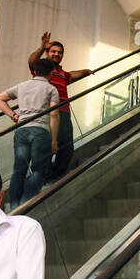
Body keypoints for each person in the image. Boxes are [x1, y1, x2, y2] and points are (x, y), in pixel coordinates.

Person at [26, 32, 93, 182]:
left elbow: (72, 75)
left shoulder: (62, 73)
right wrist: (42, 47)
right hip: (46, 114)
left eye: (59, 52)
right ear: (48, 53)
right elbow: (31, 61)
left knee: (67, 149)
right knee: (45, 148)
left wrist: (85, 71)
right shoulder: (42, 69)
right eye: (53, 52)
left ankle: (54, 179)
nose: (57, 54)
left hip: (64, 115)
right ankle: (42, 179)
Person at [0, 59, 60, 207]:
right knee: (38, 170)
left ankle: (14, 205)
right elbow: (54, 114)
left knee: (18, 170)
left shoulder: (22, 86)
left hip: (22, 130)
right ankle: (26, 203)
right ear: (51, 73)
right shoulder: (51, 89)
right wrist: (54, 141)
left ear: (35, 71)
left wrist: (13, 115)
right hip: (40, 130)